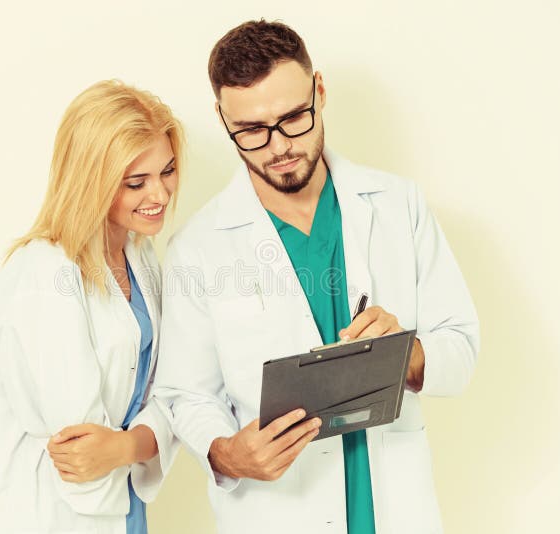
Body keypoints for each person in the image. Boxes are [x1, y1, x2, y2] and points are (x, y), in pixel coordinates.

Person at [154, 20, 479, 534]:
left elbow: (461, 349)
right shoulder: (198, 249)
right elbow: (184, 394)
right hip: (277, 511)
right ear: (223, 118)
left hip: (396, 509)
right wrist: (227, 454)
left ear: (319, 92)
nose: (278, 146)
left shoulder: (398, 207)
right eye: (252, 131)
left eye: (294, 119)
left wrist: (407, 352)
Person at [0, 80, 183, 534]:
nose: (159, 195)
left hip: (123, 502)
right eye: (136, 182)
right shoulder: (44, 272)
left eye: (168, 171)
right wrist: (139, 442)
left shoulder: (139, 256)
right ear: (90, 180)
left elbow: (170, 389)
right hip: (51, 513)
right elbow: (80, 453)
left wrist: (127, 446)